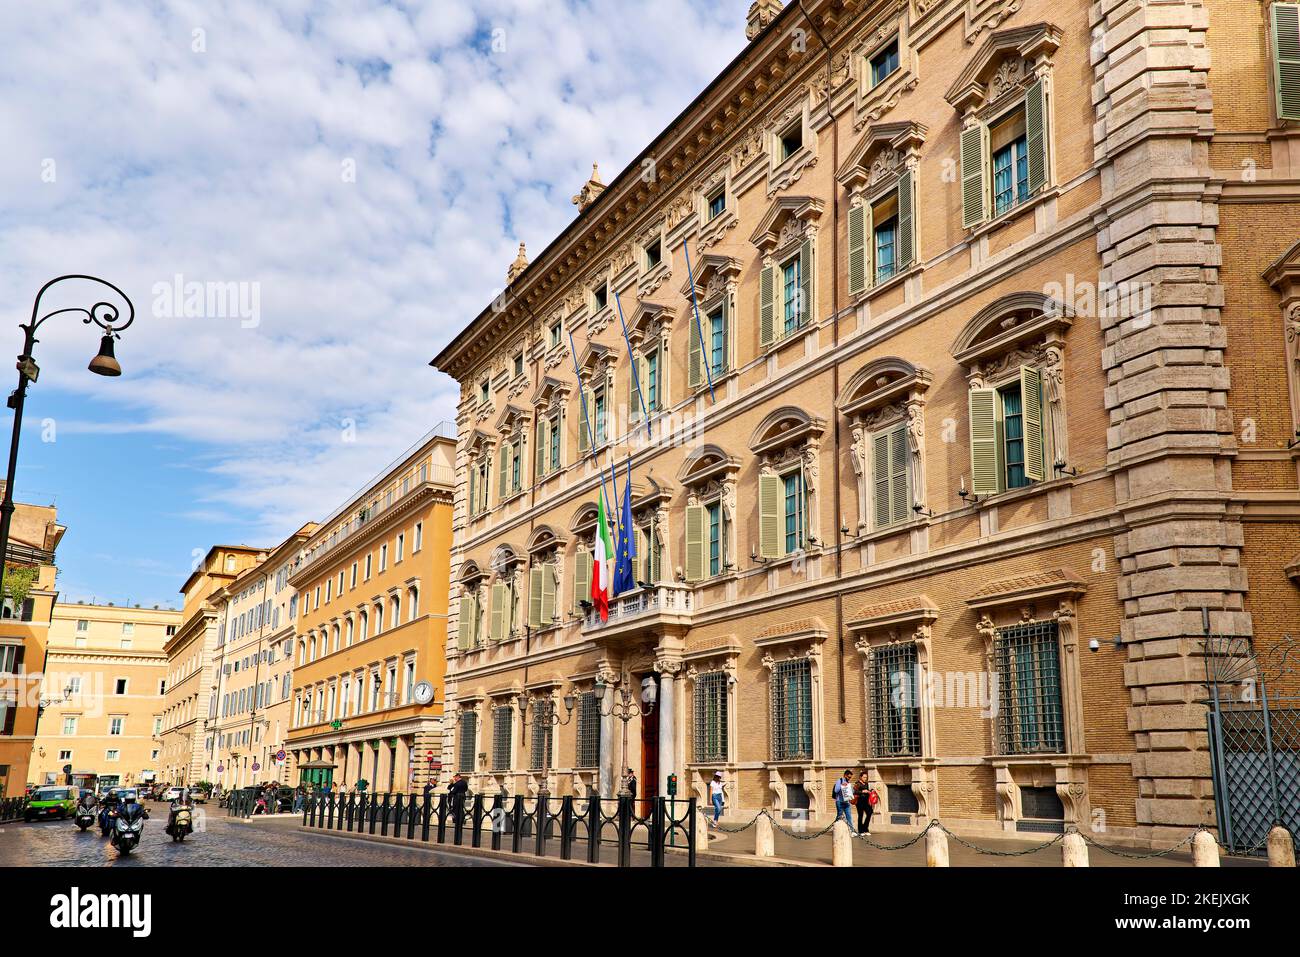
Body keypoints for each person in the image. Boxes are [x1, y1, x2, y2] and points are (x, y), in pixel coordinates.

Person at [832, 769, 856, 834]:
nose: (849, 778)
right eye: (849, 777)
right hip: (839, 802)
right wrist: (842, 785)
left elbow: (851, 792)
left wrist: (853, 789)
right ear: (845, 775)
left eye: (850, 777)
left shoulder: (848, 783)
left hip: (847, 802)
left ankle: (852, 831)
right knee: (839, 816)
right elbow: (836, 791)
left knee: (849, 816)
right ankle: (835, 828)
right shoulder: (839, 781)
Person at [855, 771, 875, 836]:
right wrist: (862, 791)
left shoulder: (866, 784)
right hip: (859, 801)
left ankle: (865, 828)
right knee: (860, 816)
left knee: (869, 813)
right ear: (860, 777)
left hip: (866, 801)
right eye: (864, 777)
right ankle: (860, 831)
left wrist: (870, 791)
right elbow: (855, 792)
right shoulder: (857, 783)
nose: (865, 778)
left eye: (866, 777)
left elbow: (867, 791)